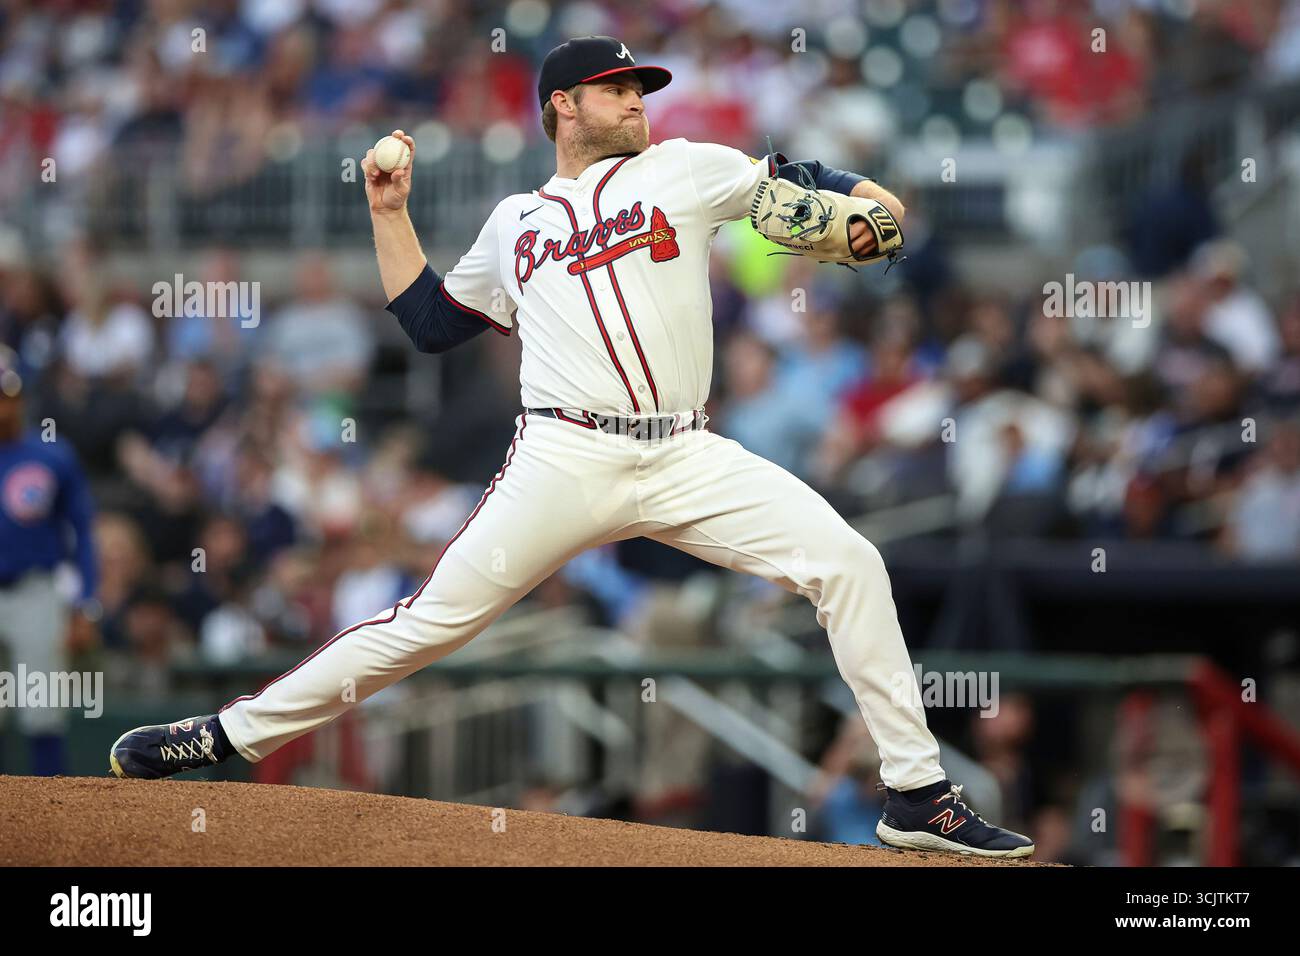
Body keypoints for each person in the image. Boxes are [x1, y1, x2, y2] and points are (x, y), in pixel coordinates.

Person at [110, 36, 1033, 858]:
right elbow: (433, 323)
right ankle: (226, 737)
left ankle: (918, 793)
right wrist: (390, 214)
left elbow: (787, 181)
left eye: (641, 88)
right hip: (563, 457)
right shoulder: (516, 222)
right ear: (563, 105)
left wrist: (861, 201)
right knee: (425, 626)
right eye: (616, 88)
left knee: (851, 563)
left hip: (685, 454)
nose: (637, 101)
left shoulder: (685, 168)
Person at [0, 347, 99, 775]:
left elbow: (81, 535)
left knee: (43, 714)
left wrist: (84, 604)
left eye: (8, 394)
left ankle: (52, 825)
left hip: (35, 592)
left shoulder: (51, 456)